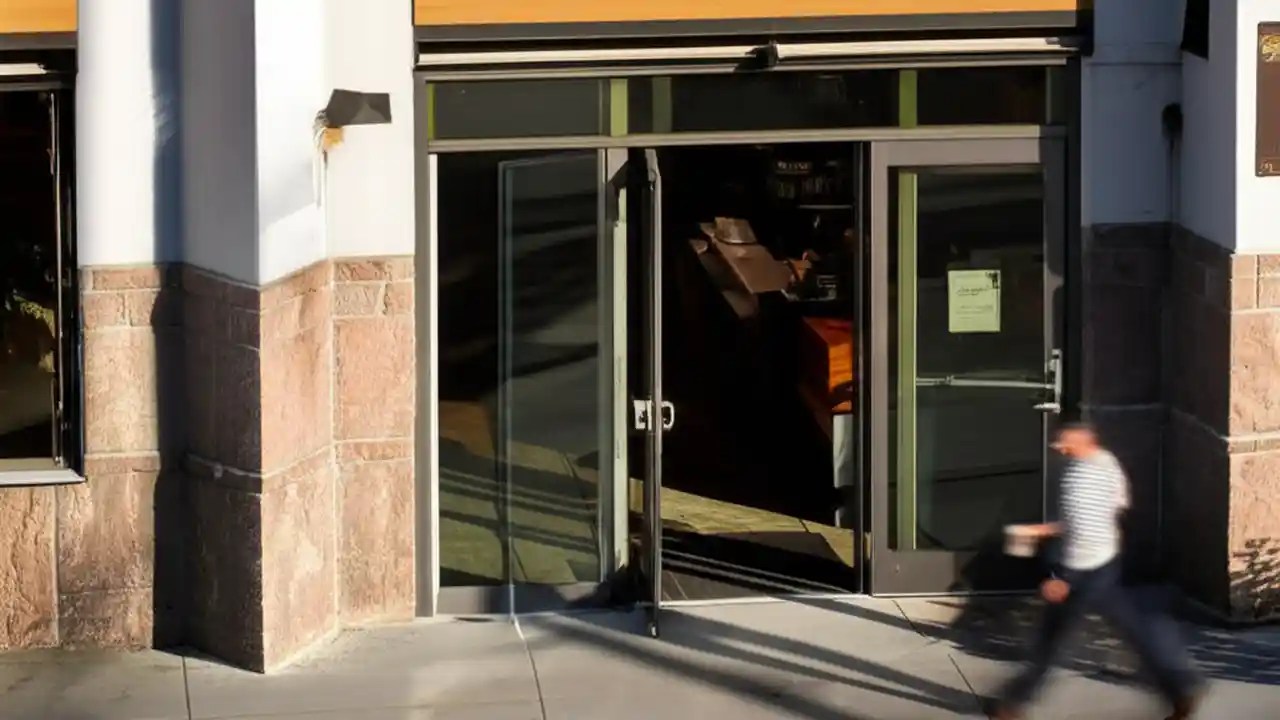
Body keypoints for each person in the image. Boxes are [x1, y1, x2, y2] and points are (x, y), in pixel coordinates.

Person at [988, 422, 1204, 720]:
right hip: (1105, 564)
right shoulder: (1109, 465)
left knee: (1052, 641)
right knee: (1133, 630)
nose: (1060, 449)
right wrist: (1042, 530)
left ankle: (1009, 705)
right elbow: (1110, 510)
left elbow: (1082, 529)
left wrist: (1059, 577)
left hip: (1081, 571)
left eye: (1065, 443)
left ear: (1084, 440)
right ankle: (1179, 691)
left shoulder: (1078, 477)